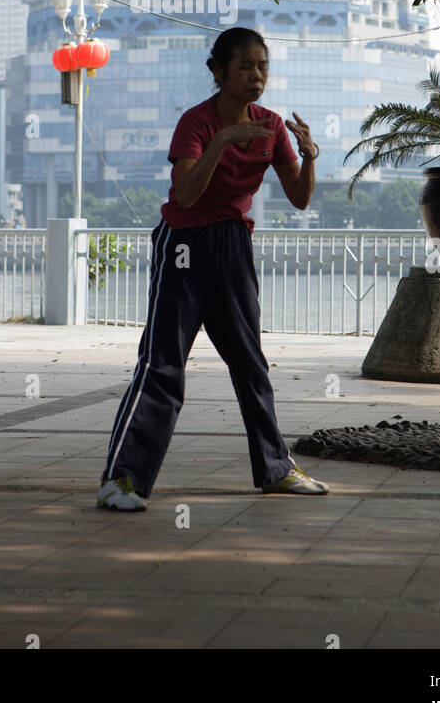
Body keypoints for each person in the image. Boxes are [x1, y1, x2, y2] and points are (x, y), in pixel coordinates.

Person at [98, 27, 329, 511]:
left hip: (232, 245)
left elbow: (300, 199)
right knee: (163, 364)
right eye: (246, 67)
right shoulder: (196, 123)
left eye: (263, 66)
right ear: (219, 72)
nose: (257, 76)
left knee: (250, 362)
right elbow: (185, 194)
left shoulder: (270, 126)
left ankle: (276, 469)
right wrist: (223, 140)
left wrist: (309, 157)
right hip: (184, 244)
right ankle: (121, 481)